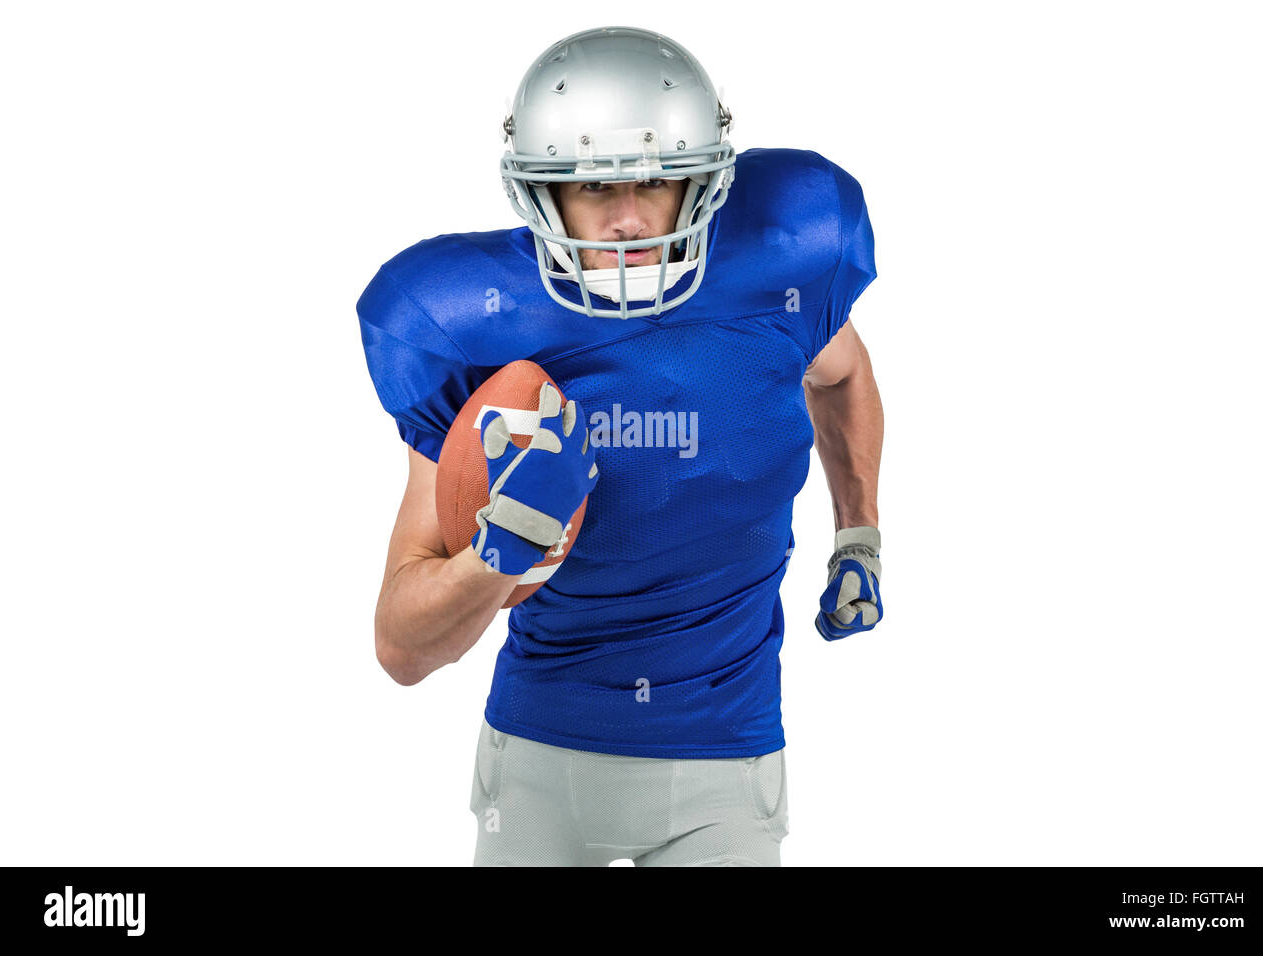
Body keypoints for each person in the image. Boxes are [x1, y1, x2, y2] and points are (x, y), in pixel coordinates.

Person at [356, 25, 884, 866]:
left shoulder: (781, 266)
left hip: (729, 755)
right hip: (539, 755)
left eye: (657, 177)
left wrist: (859, 534)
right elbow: (401, 646)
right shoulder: (469, 325)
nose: (632, 216)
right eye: (592, 188)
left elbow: (844, 374)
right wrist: (498, 553)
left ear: (708, 178)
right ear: (539, 196)